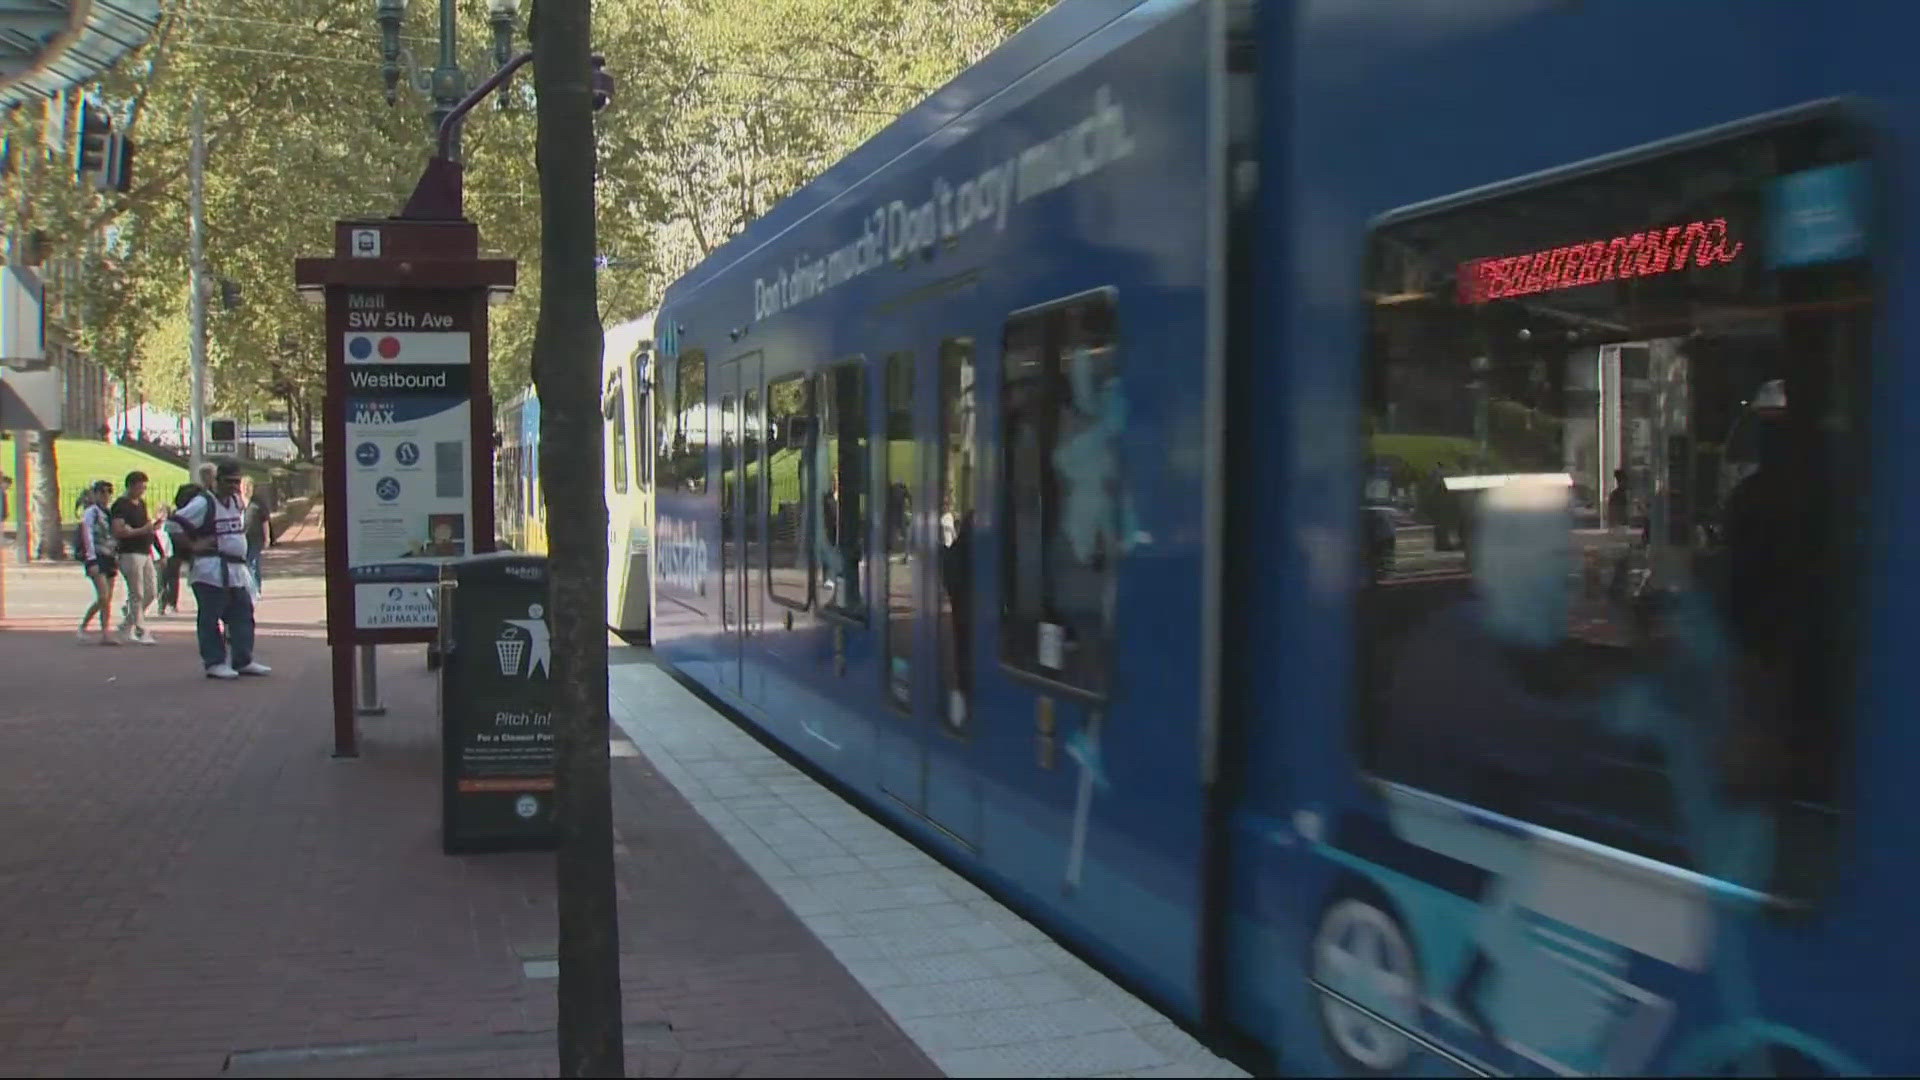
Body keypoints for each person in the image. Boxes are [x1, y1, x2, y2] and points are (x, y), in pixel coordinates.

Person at [168, 461, 270, 679]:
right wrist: (193, 545)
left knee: (243, 614)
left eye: (237, 482)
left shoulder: (235, 501)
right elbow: (174, 524)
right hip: (210, 569)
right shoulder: (204, 503)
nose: (233, 486)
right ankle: (214, 661)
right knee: (211, 616)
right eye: (229, 482)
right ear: (217, 480)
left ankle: (243, 659)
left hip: (235, 569)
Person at [109, 470, 166, 644]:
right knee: (137, 593)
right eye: (140, 487)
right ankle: (142, 630)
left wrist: (159, 549)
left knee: (151, 591)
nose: (143, 491)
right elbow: (119, 530)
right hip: (129, 552)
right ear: (131, 486)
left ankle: (127, 625)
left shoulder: (141, 504)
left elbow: (146, 526)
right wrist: (143, 530)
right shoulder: (121, 505)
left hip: (145, 551)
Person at [76, 480, 120, 645]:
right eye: (102, 492)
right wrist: (91, 558)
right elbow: (87, 536)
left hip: (109, 556)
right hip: (96, 557)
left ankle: (105, 632)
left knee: (107, 597)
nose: (106, 496)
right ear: (95, 494)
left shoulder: (108, 512)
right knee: (102, 595)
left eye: (109, 492)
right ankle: (84, 626)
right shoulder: (91, 512)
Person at [156, 480, 201, 616]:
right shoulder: (177, 517)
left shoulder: (178, 516)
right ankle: (164, 603)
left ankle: (170, 603)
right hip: (170, 550)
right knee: (165, 578)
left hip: (177, 551)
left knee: (171, 578)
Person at [243, 478, 268, 596]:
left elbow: (265, 521)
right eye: (244, 487)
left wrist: (267, 537)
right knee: (244, 564)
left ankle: (257, 588)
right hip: (241, 539)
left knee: (254, 563)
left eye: (249, 487)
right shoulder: (237, 502)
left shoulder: (258, 503)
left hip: (255, 538)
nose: (247, 489)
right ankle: (247, 588)